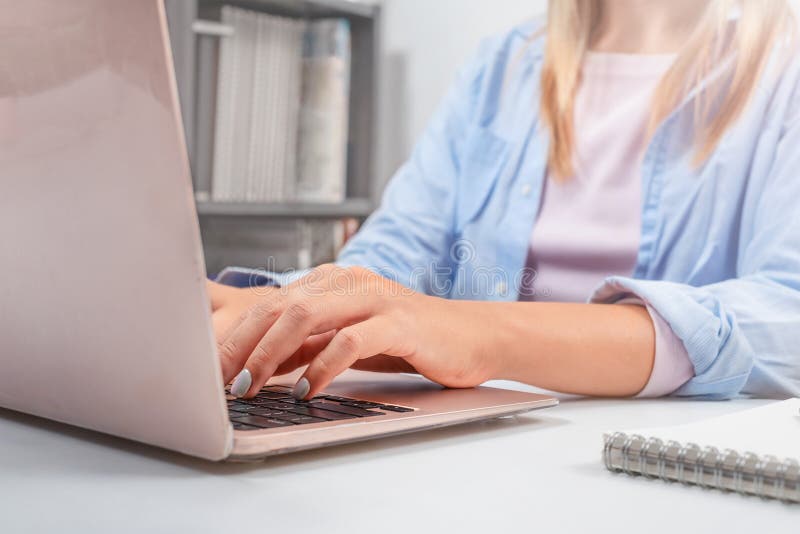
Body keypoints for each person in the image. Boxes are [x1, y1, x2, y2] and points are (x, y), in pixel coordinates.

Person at [208, 0, 800, 402]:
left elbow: (787, 319)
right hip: (480, 437)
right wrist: (280, 310)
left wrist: (481, 337)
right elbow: (394, 255)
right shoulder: (503, 64)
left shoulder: (785, 69)